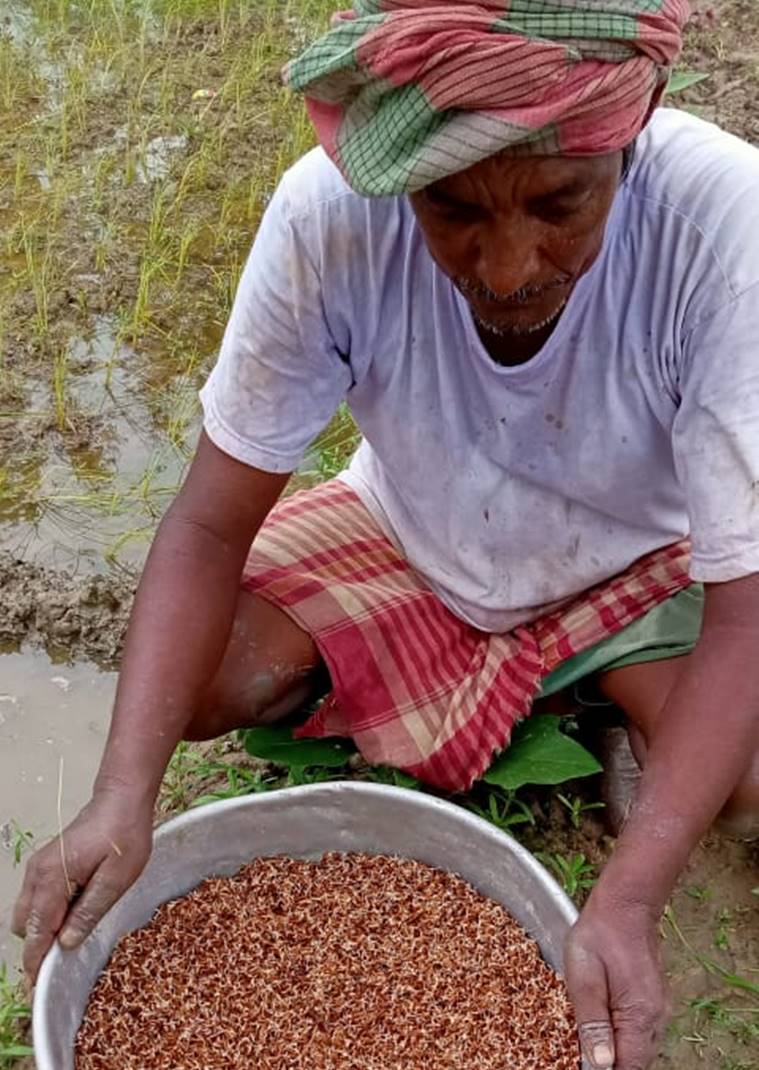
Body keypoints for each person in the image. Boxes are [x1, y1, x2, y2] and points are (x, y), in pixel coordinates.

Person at [14, 2, 759, 1068]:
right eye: (453, 210)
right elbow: (208, 521)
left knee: (746, 775)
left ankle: (601, 703)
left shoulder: (724, 227)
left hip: (637, 555)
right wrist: (121, 793)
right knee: (206, 680)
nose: (507, 269)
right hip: (411, 526)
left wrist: (630, 895)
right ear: (401, 175)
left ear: (627, 143)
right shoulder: (330, 216)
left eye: (560, 203)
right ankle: (571, 706)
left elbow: (748, 608)